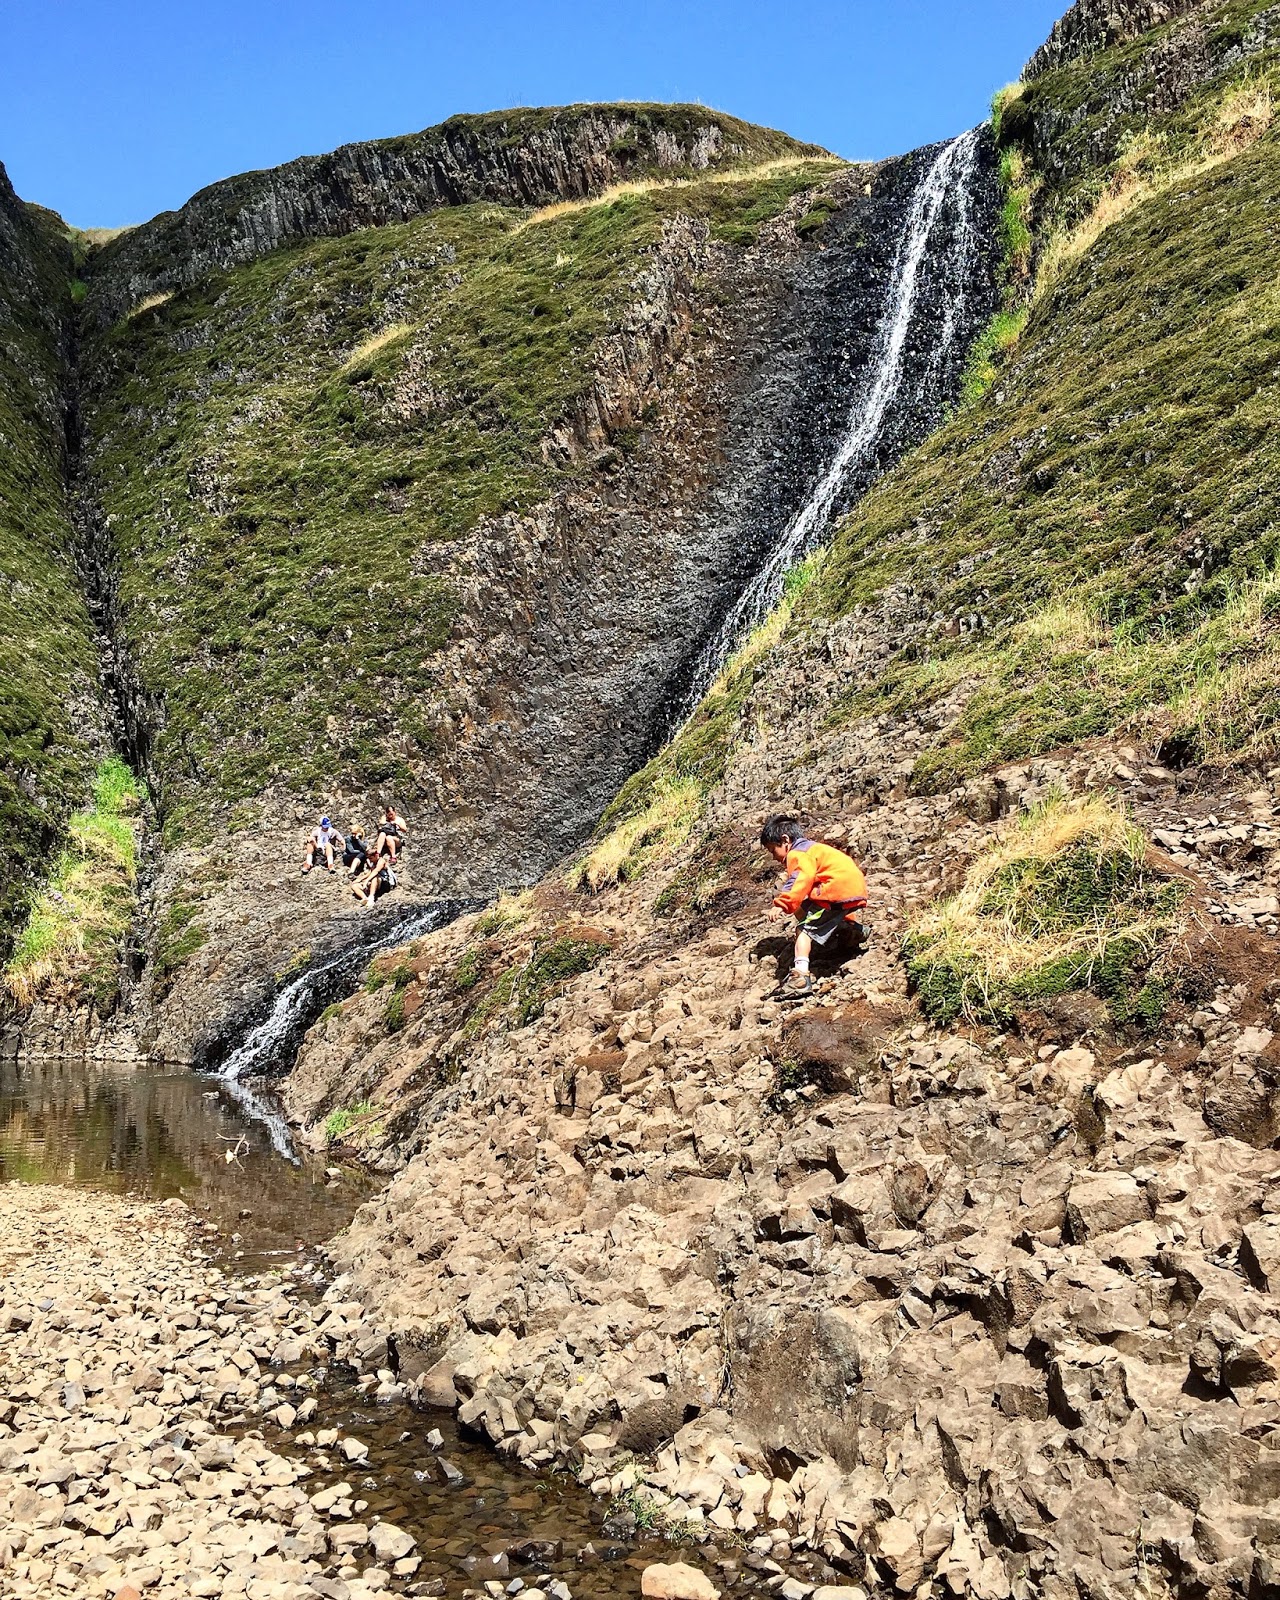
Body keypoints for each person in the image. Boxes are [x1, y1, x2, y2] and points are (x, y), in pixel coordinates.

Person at [761, 815, 868, 1000]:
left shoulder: (797, 854)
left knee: (804, 929)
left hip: (834, 891)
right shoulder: (815, 848)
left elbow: (799, 878)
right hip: (853, 889)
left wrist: (782, 904)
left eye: (773, 850)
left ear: (785, 840)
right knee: (807, 906)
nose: (774, 857)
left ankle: (800, 978)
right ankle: (850, 931)